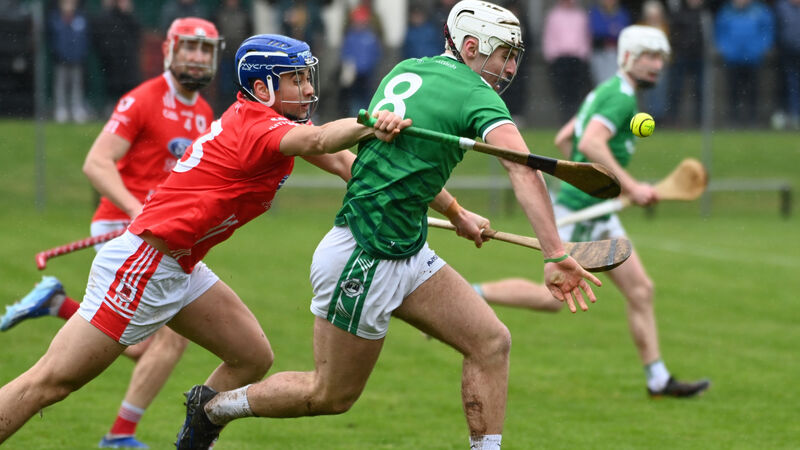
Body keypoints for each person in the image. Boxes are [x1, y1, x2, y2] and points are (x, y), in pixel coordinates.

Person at [173, 2, 602, 449]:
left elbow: (401, 166)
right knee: (330, 394)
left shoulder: (409, 68)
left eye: (516, 55)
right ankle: (213, 407)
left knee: (491, 342)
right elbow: (523, 169)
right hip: (365, 253)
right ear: (471, 48)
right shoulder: (478, 95)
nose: (511, 67)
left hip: (407, 246)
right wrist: (555, 254)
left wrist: (456, 212)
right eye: (504, 54)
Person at [0, 32, 408, 447]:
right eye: (295, 78)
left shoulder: (277, 124)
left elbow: (341, 160)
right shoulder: (259, 128)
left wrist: (440, 205)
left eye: (307, 77)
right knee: (48, 384)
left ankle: (198, 427)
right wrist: (371, 122)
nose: (307, 89)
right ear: (263, 87)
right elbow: (320, 140)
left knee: (251, 357)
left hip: (181, 265)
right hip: (144, 264)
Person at [0, 17, 223, 448]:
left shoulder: (204, 112)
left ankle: (58, 304)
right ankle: (120, 436)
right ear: (169, 50)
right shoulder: (143, 100)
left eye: (206, 49)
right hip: (128, 229)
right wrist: (136, 208)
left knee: (138, 343)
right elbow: (96, 163)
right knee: (167, 343)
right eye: (189, 47)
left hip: (163, 234)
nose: (197, 57)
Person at [473, 25, 711, 399]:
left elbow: (565, 137)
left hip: (596, 212)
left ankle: (658, 380)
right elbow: (588, 141)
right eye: (649, 57)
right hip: (584, 215)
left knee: (641, 290)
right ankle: (472, 294)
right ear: (629, 58)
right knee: (550, 298)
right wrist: (632, 187)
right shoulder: (620, 98)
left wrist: (588, 180)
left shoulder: (607, 92)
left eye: (660, 59)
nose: (656, 66)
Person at [714, 0, 774, 127]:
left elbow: (767, 30)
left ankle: (752, 120)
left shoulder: (760, 10)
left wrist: (760, 48)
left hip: (753, 58)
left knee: (753, 91)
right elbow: (719, 32)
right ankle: (733, 120)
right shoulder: (726, 11)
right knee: (733, 91)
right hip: (732, 58)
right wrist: (726, 48)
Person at [542, 0, 593, 123]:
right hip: (560, 59)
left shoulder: (580, 15)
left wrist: (583, 56)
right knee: (562, 92)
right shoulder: (554, 15)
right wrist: (552, 57)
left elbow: (585, 37)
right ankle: (565, 120)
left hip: (577, 59)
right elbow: (549, 37)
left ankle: (574, 120)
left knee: (575, 93)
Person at [48, 0, 91, 123]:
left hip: (77, 59)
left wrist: (81, 54)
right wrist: (57, 53)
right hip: (60, 59)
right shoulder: (56, 18)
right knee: (60, 85)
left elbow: (84, 39)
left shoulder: (81, 18)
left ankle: (76, 109)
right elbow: (53, 39)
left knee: (77, 85)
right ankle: (61, 110)